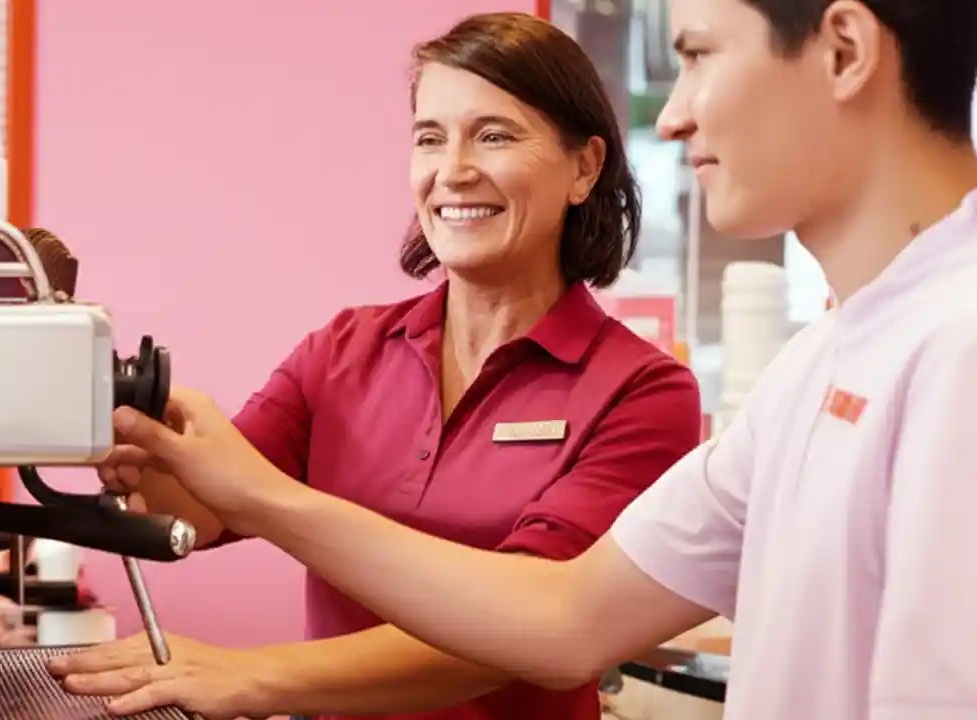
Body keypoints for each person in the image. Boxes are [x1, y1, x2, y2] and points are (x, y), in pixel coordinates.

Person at [79, 0, 977, 718]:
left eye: (698, 54)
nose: (670, 116)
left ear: (846, 50)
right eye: (430, 136)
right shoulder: (820, 361)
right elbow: (566, 620)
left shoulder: (954, 352)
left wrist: (257, 665)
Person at [47, 12, 703, 720]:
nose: (452, 170)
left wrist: (252, 673)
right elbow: (203, 512)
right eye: (430, 138)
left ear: (584, 167)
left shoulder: (642, 393)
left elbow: (533, 629)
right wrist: (146, 450)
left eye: (494, 134)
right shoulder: (343, 350)